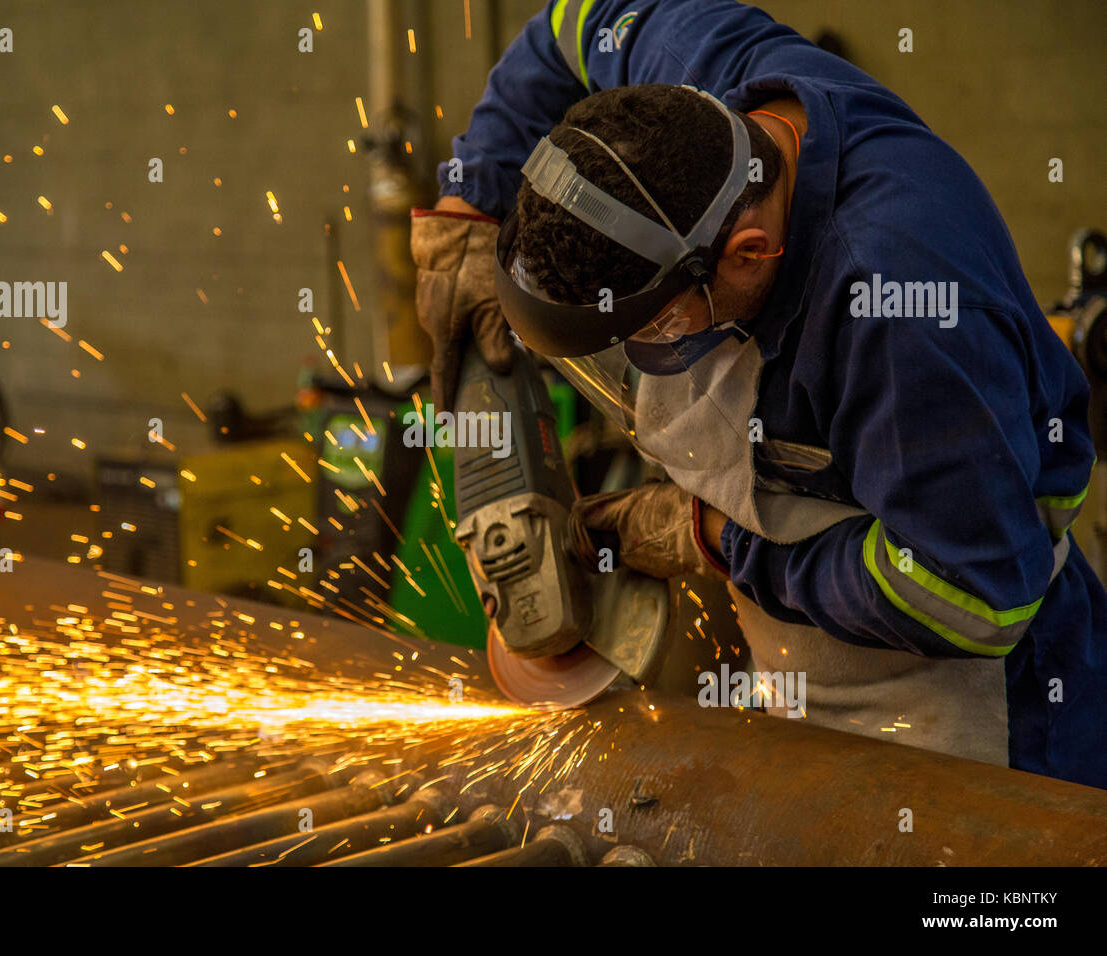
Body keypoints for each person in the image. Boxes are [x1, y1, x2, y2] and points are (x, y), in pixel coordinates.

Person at [411, 0, 1106, 788]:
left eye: (658, 331)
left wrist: (718, 541)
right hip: (801, 658)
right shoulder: (696, 95)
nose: (647, 362)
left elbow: (974, 597)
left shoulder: (898, 309)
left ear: (748, 252)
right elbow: (576, 20)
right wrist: (471, 197)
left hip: (978, 700)